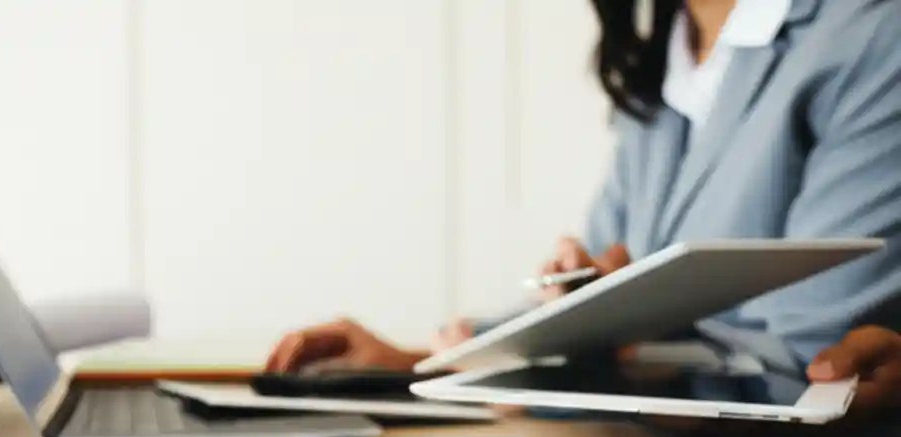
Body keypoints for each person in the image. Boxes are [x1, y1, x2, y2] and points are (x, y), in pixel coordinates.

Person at [266, 0, 901, 381]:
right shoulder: (661, 71)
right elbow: (591, 310)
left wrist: (611, 343)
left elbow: (818, 353)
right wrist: (411, 366)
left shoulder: (872, 36)